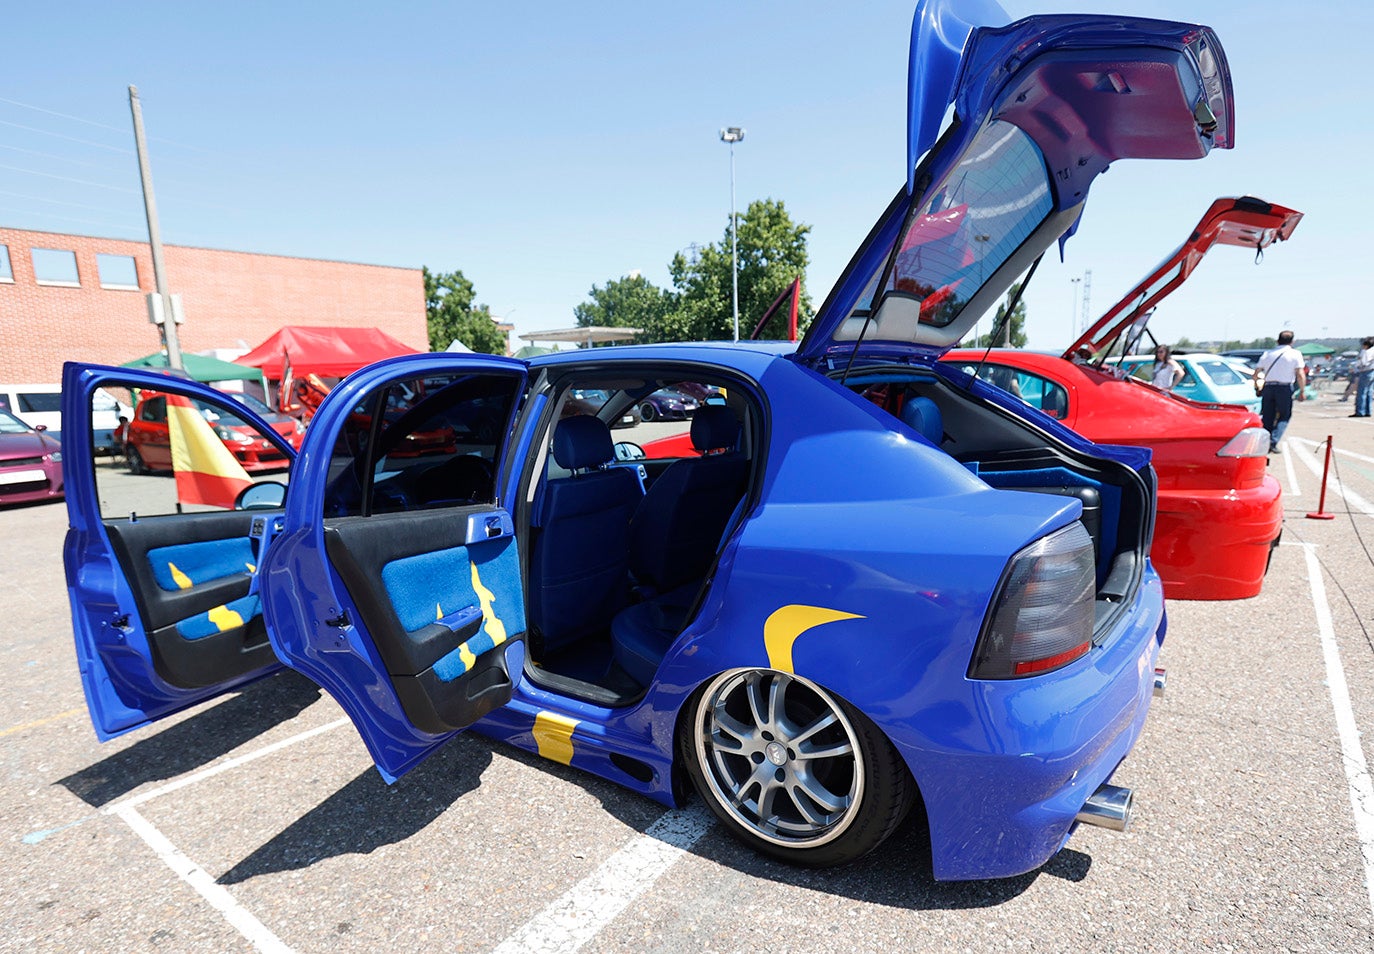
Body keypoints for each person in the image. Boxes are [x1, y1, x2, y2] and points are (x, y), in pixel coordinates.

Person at [1253, 331, 1307, 452]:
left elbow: (1256, 373)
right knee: (1284, 415)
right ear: (1292, 342)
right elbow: (1300, 373)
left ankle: (1264, 442)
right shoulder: (1295, 354)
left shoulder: (1268, 353)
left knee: (1267, 416)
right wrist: (1302, 390)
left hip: (1268, 386)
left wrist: (1257, 386)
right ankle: (1273, 441)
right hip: (1284, 387)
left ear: (1277, 341)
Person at [1353, 336, 1374, 418]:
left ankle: (1360, 411)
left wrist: (1357, 367)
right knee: (1369, 391)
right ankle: (1368, 411)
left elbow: (1363, 362)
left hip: (1366, 371)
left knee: (1362, 392)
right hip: (1372, 371)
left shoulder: (1366, 352)